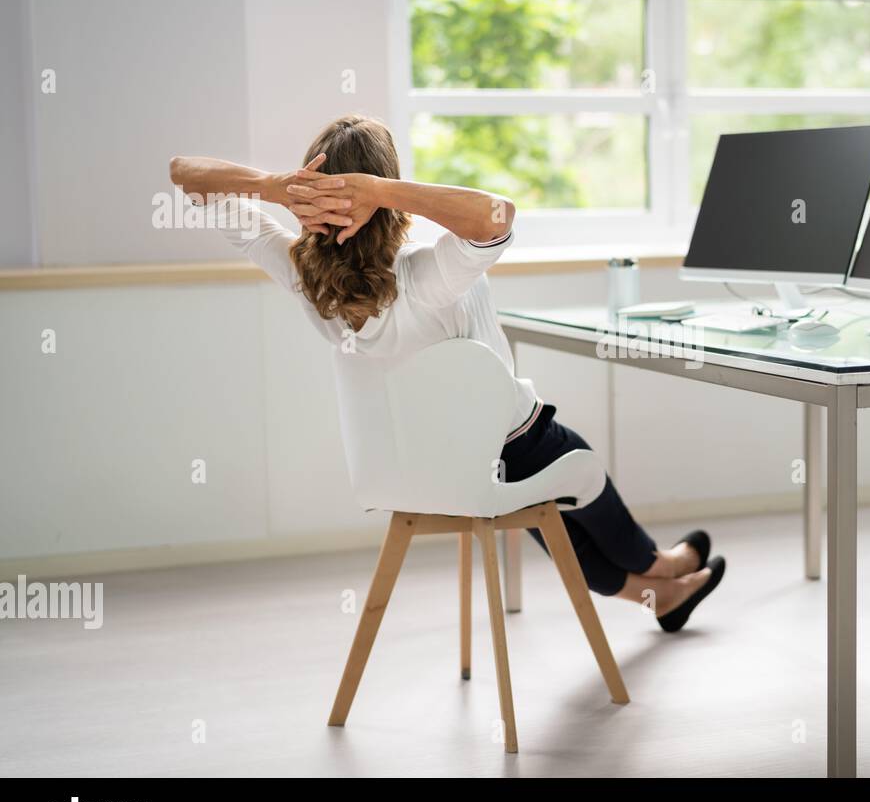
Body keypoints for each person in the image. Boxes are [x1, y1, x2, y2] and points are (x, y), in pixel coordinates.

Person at [169, 114, 724, 631]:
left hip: (416, 473)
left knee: (542, 505)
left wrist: (274, 188)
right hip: (508, 454)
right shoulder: (430, 275)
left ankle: (661, 592)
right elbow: (498, 216)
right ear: (382, 196)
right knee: (576, 470)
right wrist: (380, 191)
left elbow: (184, 174)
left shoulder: (301, 277)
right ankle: (659, 565)